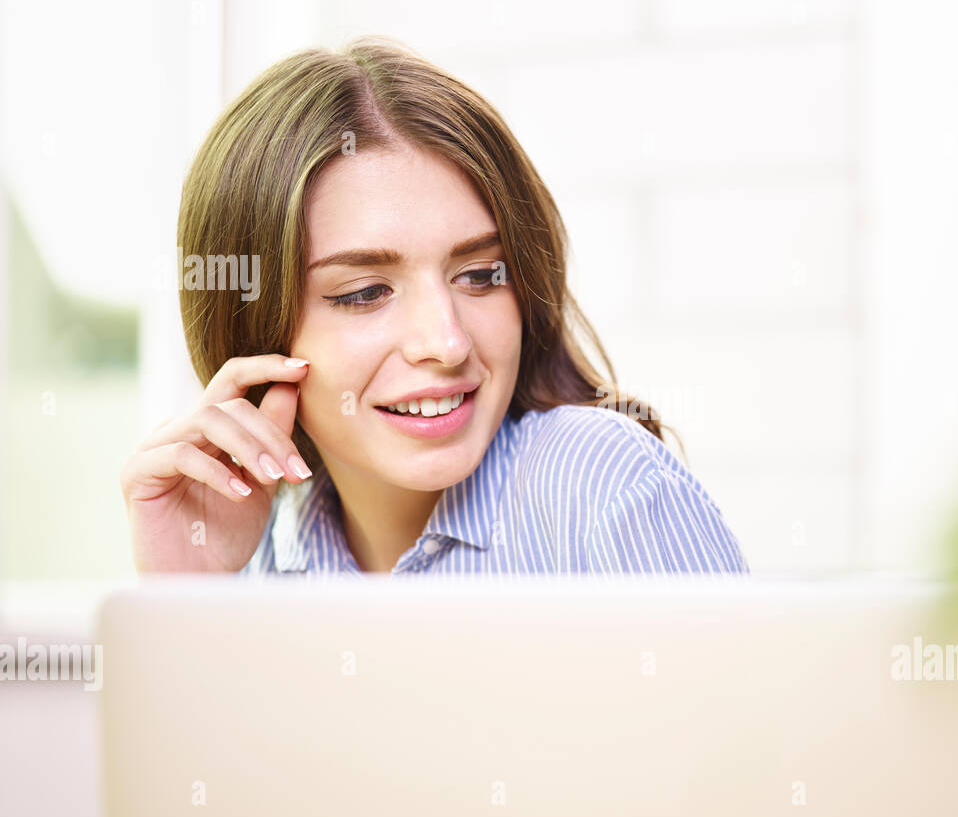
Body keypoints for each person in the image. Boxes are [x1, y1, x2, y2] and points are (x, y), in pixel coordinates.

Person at [120, 38, 748, 576]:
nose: (446, 343)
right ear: (255, 334)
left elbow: (750, 719)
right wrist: (187, 599)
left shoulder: (593, 479)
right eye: (365, 293)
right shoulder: (261, 557)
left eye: (479, 275)